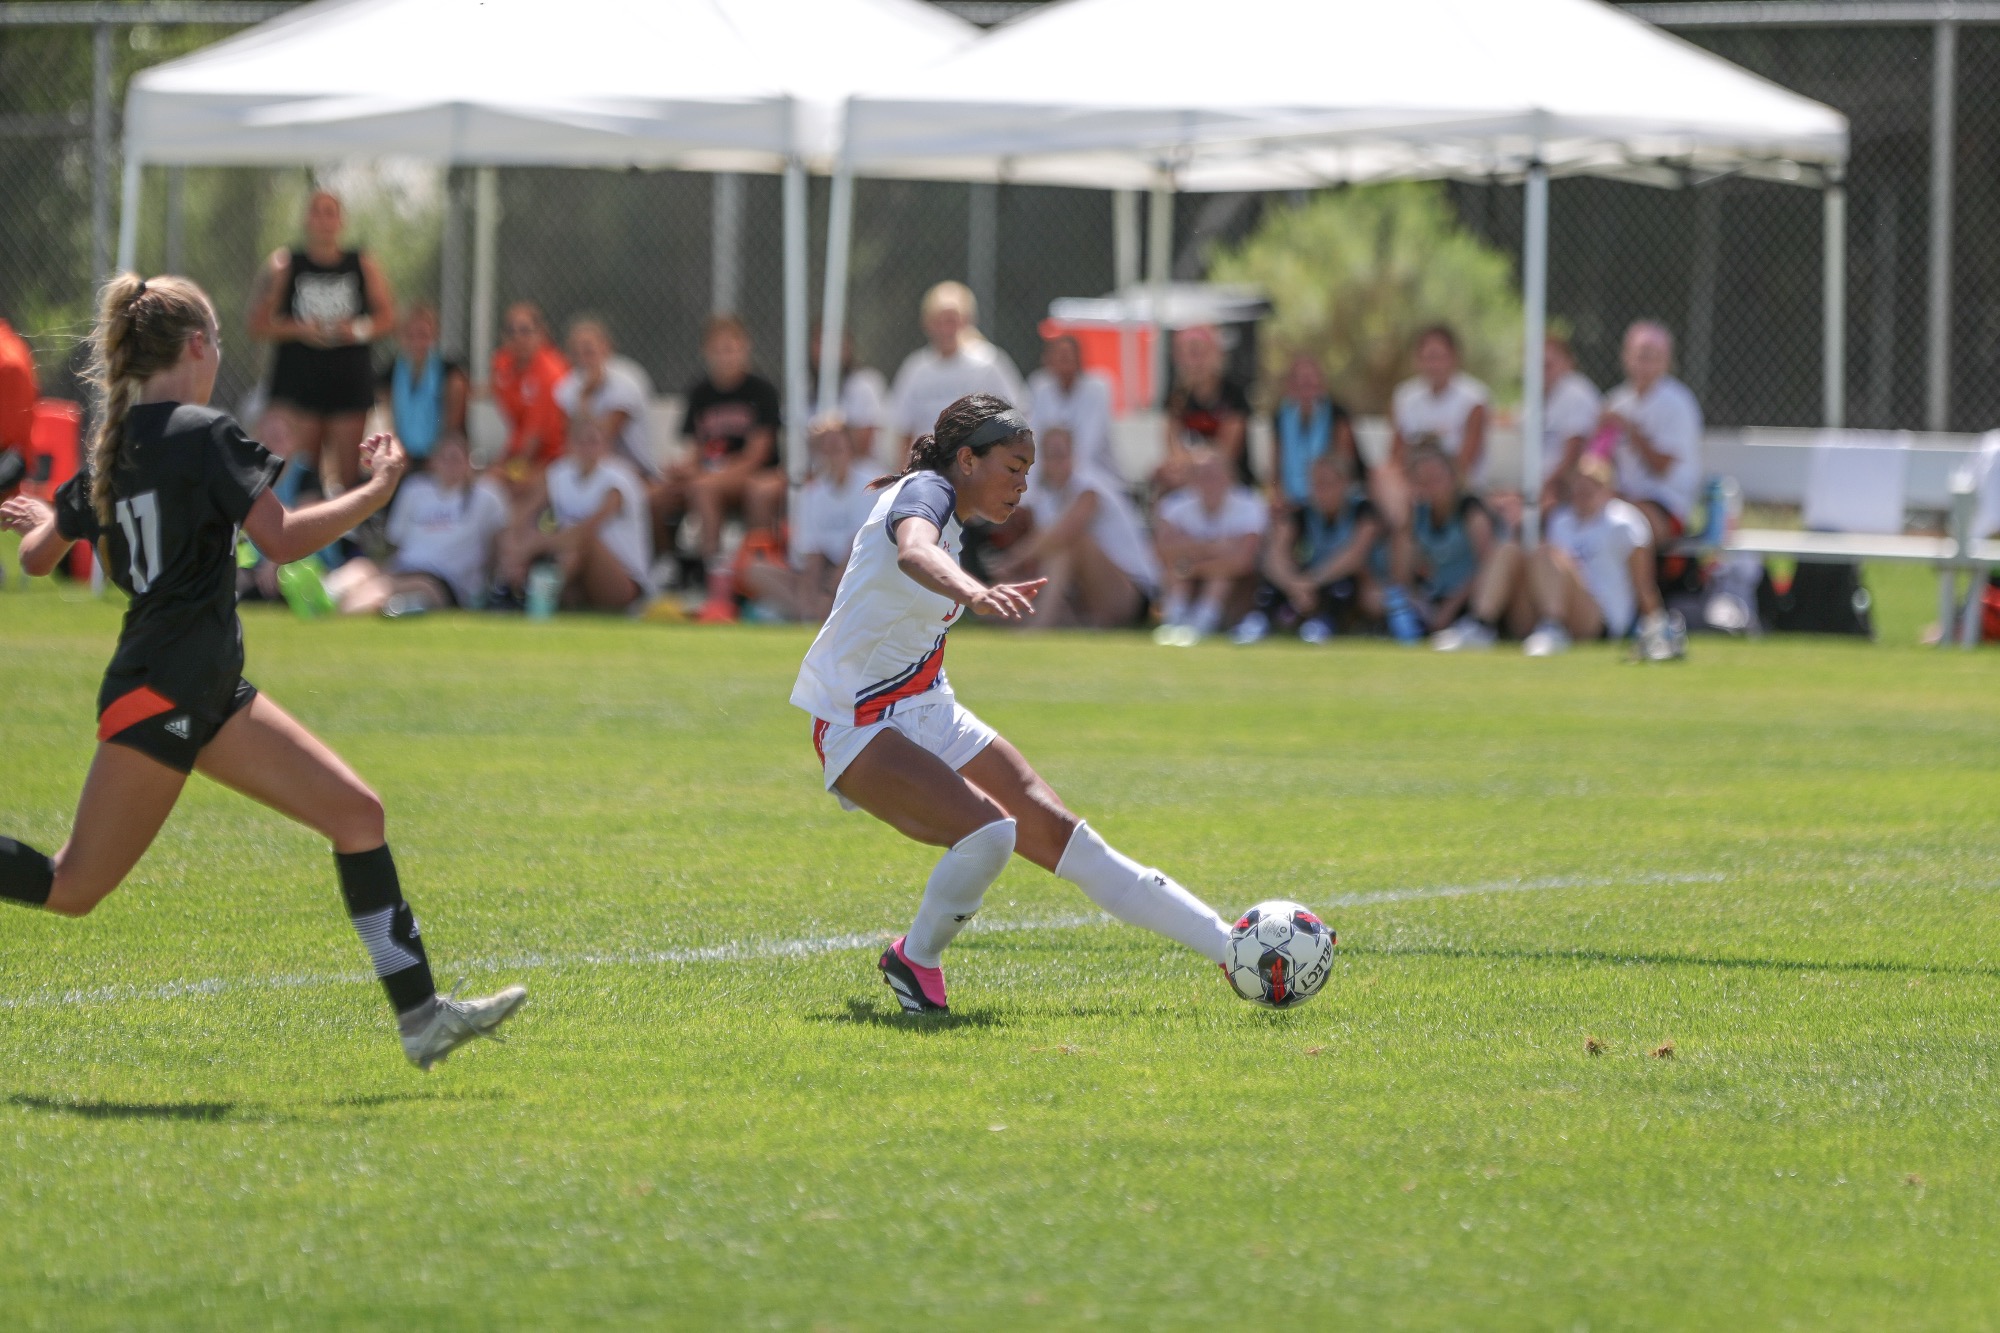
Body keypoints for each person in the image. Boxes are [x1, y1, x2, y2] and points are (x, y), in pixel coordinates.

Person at [0, 273, 524, 1069]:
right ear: (200, 346)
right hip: (164, 693)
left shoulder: (114, 447)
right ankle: (421, 1014)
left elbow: (39, 557)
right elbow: (279, 541)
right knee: (73, 887)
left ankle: (421, 1016)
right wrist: (376, 490)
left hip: (208, 689)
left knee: (358, 814)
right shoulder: (205, 432)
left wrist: (48, 518)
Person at [790, 393, 1240, 1015]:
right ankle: (915, 959)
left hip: (925, 704)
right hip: (855, 720)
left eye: (1029, 471)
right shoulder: (926, 491)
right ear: (967, 460)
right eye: (1013, 466)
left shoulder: (955, 512)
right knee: (990, 834)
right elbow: (913, 550)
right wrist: (974, 592)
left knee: (1070, 841)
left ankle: (1232, 947)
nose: (1022, 484)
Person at [1432, 454, 1685, 659]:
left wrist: (1655, 624)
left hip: (1598, 617)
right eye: (1578, 484)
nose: (1583, 491)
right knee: (1509, 549)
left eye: (1591, 485)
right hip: (1547, 605)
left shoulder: (1624, 522)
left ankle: (1553, 626)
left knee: (1547, 554)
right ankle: (1481, 624)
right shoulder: (1561, 520)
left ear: (1607, 489)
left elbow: (1643, 584)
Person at [249, 191, 396, 496]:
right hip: (300, 381)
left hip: (348, 379)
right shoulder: (285, 264)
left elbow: (387, 317)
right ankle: (301, 538)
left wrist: (356, 329)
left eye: (331, 213)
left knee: (349, 476)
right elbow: (256, 324)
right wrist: (298, 329)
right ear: (306, 219)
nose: (324, 220)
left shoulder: (362, 264)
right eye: (317, 212)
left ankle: (348, 542)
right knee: (302, 473)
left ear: (341, 221)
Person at [656, 314, 785, 623]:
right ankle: (674, 572)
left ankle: (736, 583)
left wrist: (711, 478)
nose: (726, 356)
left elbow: (758, 454)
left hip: (754, 474)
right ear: (706, 352)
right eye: (718, 349)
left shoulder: (761, 390)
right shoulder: (700, 393)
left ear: (745, 349)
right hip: (713, 477)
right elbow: (697, 450)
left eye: (732, 348)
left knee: (714, 489)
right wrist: (682, 470)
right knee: (660, 496)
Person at [995, 426, 1157, 629]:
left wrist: (1012, 560)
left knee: (1070, 544)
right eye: (1051, 456)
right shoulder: (1047, 498)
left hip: (1132, 593)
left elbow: (1062, 534)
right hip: (1086, 592)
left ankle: (1039, 627)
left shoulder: (1089, 486)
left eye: (1062, 455)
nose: (1057, 463)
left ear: (1074, 456)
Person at [326, 435, 506, 615]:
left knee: (386, 587)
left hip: (444, 582)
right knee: (362, 567)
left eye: (456, 458)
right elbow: (396, 542)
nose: (450, 464)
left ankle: (336, 609)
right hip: (405, 567)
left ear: (468, 462)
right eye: (445, 458)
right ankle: (324, 592)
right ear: (433, 462)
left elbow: (501, 540)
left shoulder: (485, 497)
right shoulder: (415, 490)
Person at [494, 416, 651, 612]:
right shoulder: (559, 473)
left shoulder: (618, 479)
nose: (587, 448)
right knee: (520, 534)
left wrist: (535, 545)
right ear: (570, 443)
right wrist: (516, 544)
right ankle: (512, 590)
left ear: (605, 444)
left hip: (622, 580)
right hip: (574, 569)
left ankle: (535, 599)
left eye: (593, 441)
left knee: (581, 543)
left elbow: (587, 530)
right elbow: (523, 513)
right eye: (581, 441)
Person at [1235, 452, 1387, 645]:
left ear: (1346, 483)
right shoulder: (1301, 512)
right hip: (1307, 580)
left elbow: (1354, 556)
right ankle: (1259, 619)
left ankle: (1324, 622)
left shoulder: (1363, 511)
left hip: (1339, 578)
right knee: (1273, 580)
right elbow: (1274, 555)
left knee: (1345, 583)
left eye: (1328, 483)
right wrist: (1293, 583)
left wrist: (1312, 581)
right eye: (1316, 483)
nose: (1321, 490)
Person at [743, 416, 877, 625]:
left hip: (859, 573)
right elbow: (812, 555)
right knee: (755, 570)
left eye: (838, 442)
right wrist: (810, 596)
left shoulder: (870, 484)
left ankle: (819, 613)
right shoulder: (810, 494)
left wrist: (833, 588)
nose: (833, 449)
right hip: (823, 573)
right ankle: (813, 614)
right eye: (827, 445)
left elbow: (859, 546)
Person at [887, 282, 1023, 469]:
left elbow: (1016, 421)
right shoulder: (915, 369)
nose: (945, 329)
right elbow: (902, 430)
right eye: (939, 321)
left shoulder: (988, 364)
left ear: (967, 320)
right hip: (928, 473)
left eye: (951, 320)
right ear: (926, 323)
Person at [1601, 320, 1702, 551]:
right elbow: (1598, 465)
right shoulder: (1617, 400)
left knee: (1625, 526)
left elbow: (1661, 466)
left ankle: (1642, 589)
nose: (1643, 364)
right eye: (1639, 355)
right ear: (1626, 357)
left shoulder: (1677, 402)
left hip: (1666, 505)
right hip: (1622, 499)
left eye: (1651, 357)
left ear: (1665, 362)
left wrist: (1630, 430)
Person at [1152, 446, 1266, 645]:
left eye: (1214, 474)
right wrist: (1213, 548)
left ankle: (1202, 621)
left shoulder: (1250, 504)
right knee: (1189, 568)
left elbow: (1242, 561)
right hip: (1185, 576)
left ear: (1230, 475)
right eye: (1201, 474)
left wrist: (1190, 562)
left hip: (1237, 586)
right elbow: (1161, 551)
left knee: (1218, 573)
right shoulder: (1174, 505)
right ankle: (1175, 619)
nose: (1208, 480)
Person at [1394, 441, 1501, 636]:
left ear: (1453, 477)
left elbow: (1488, 566)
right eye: (1423, 481)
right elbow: (1401, 576)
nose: (1430, 487)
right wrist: (1407, 524)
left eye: (1436, 479)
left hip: (1471, 599)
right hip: (1438, 598)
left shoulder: (1471, 510)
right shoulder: (1419, 516)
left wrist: (1451, 607)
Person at [554, 316, 656, 481]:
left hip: (632, 468)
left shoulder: (626, 380)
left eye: (588, 350)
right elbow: (571, 439)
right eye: (576, 352)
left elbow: (600, 439)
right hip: (585, 464)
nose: (583, 358)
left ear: (606, 347)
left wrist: (586, 397)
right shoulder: (568, 386)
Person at [1389, 325, 1489, 490]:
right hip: (1412, 484)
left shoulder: (1474, 399)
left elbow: (1466, 461)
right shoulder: (1405, 396)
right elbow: (1396, 455)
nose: (1434, 365)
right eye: (1428, 357)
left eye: (1439, 357)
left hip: (1455, 483)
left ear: (1454, 357)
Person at [488, 302, 570, 499]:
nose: (518, 338)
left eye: (525, 331)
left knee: (507, 488)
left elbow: (534, 439)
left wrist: (507, 470)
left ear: (541, 334)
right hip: (523, 452)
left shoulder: (551, 374)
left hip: (555, 457)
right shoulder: (502, 364)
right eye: (511, 332)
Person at [376, 305, 468, 470]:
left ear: (435, 335)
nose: (417, 342)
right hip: (404, 453)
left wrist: (437, 453)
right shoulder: (390, 375)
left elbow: (452, 425)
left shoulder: (451, 374)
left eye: (423, 335)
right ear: (400, 336)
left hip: (440, 454)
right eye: (410, 335)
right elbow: (390, 420)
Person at [1160, 326, 1251, 491]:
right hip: (1189, 482)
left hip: (1231, 485)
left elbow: (1227, 453)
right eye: (1190, 354)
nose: (1196, 362)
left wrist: (1190, 460)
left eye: (1202, 353)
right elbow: (1173, 450)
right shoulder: (1176, 398)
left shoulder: (1233, 395)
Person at [1271, 352, 1365, 510]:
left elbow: (1344, 465)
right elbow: (1276, 468)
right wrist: (1277, 495)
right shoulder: (1281, 416)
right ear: (1290, 386)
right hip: (1291, 497)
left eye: (1311, 380)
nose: (1306, 385)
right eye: (1300, 380)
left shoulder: (1338, 415)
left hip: (1331, 496)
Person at [1026, 333, 1116, 480]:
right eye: (1059, 355)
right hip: (1047, 472)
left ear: (1079, 359)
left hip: (1094, 471)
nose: (1064, 360)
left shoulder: (1098, 388)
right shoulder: (1039, 386)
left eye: (1068, 355)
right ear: (1048, 359)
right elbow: (1034, 434)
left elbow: (1090, 445)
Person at [810, 326, 888, 464]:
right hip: (817, 479)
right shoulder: (802, 388)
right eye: (821, 343)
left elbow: (863, 445)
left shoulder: (866, 384)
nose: (828, 351)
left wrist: (832, 430)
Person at [1539, 333, 1600, 512]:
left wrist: (1544, 487)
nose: (1542, 371)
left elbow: (1574, 454)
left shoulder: (1575, 393)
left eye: (1548, 365)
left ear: (1568, 362)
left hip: (1565, 490)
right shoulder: (1544, 397)